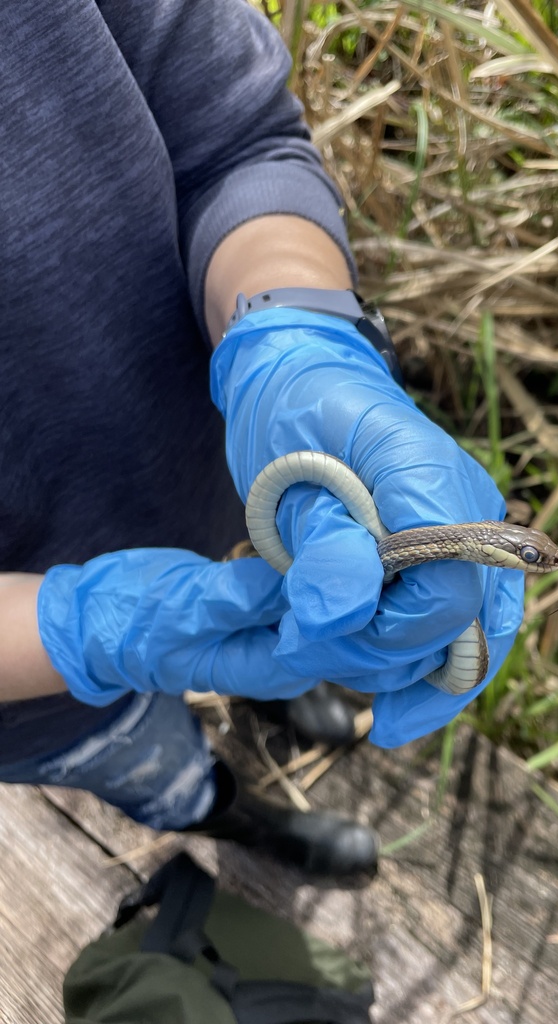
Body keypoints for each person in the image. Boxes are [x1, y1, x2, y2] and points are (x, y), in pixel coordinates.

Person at [0, 0, 524, 876]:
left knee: (318, 605)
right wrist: (79, 629)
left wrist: (293, 334)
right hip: (34, 703)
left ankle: (294, 694)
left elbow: (235, 141)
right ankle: (229, 817)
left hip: (232, 493)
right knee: (151, 761)